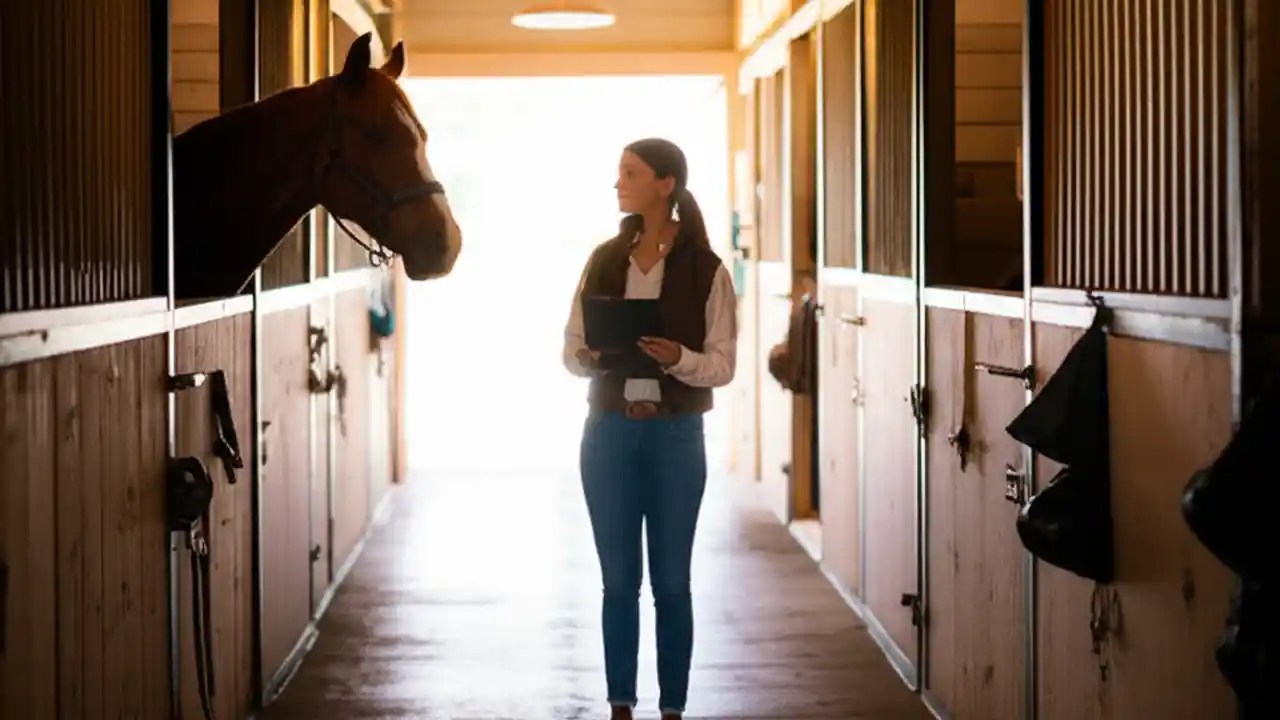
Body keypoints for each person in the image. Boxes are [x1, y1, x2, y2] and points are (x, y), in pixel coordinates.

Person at [561, 138, 738, 720]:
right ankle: (620, 706)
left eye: (630, 173)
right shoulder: (603, 259)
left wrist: (676, 358)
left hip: (675, 437)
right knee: (618, 584)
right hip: (607, 433)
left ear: (666, 183)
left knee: (672, 584)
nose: (618, 183)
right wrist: (588, 359)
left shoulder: (708, 270)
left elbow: (722, 366)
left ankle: (673, 709)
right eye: (619, 172)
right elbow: (570, 347)